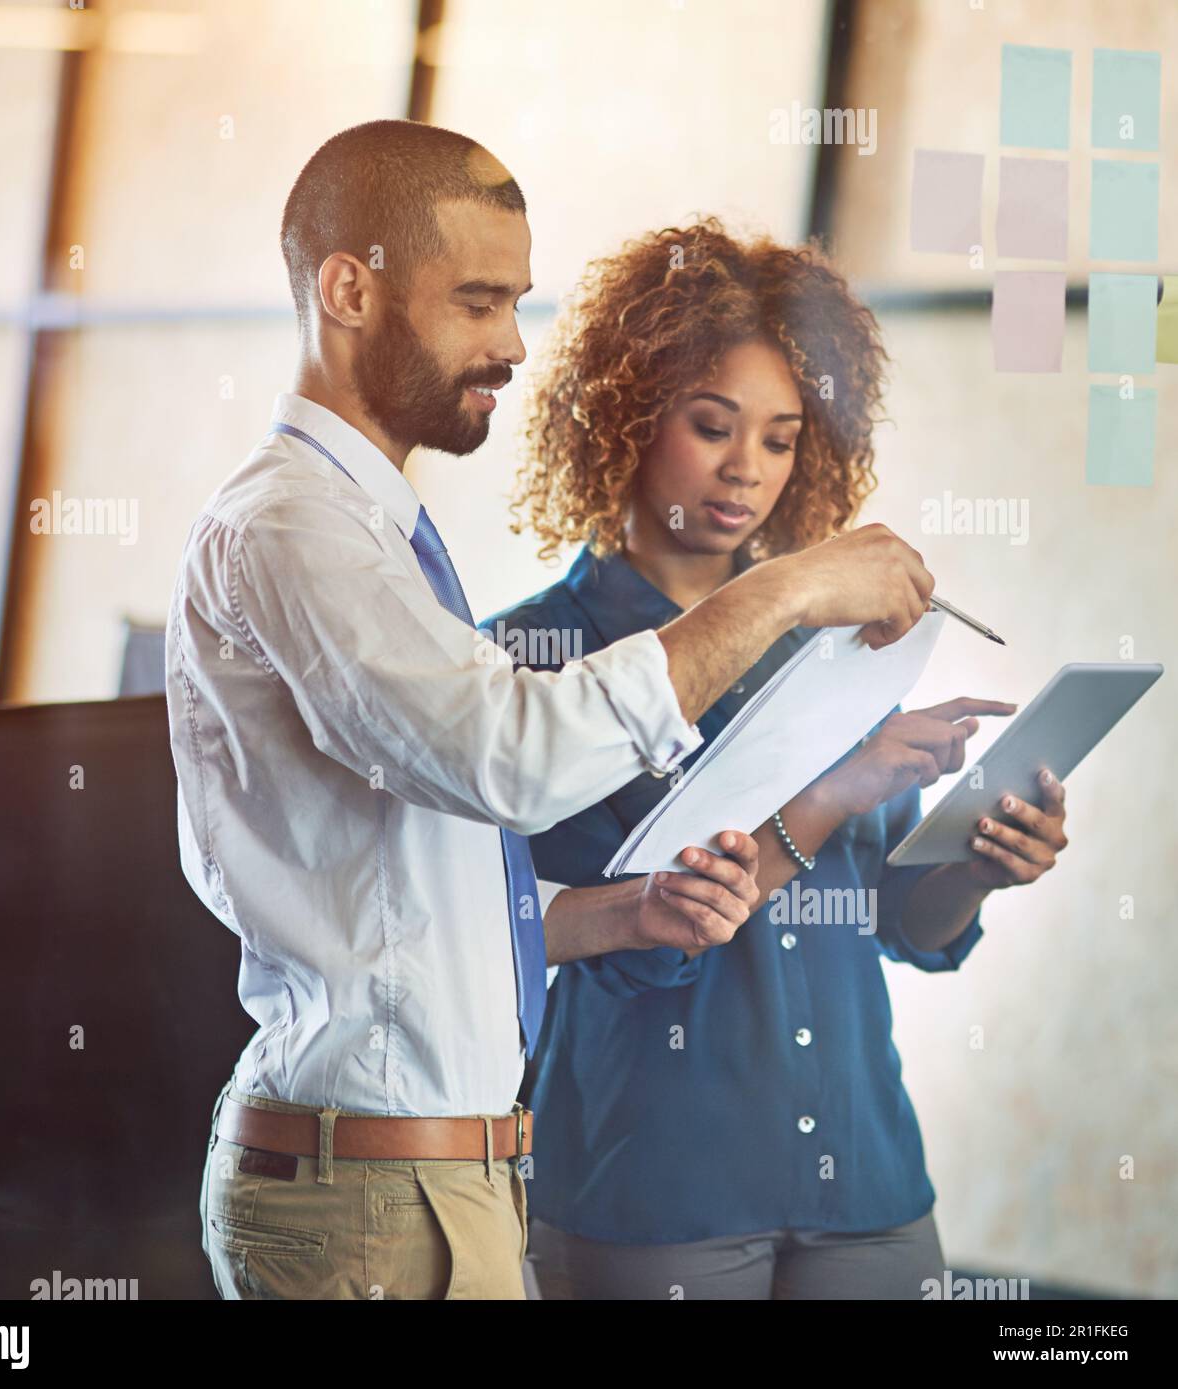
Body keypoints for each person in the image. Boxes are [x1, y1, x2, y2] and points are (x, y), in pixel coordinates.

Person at [166, 124, 937, 1301]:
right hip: (388, 1187)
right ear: (348, 289)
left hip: (448, 1179)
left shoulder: (376, 541)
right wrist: (793, 588)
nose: (511, 347)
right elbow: (511, 762)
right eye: (477, 303)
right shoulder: (292, 528)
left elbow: (444, 896)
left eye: (516, 304)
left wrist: (627, 915)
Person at [483, 219, 1069, 1300]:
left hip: (871, 1194)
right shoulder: (530, 661)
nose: (745, 471)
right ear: (623, 417)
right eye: (712, 426)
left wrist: (978, 864)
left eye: (781, 438)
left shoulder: (834, 648)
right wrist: (834, 793)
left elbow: (903, 926)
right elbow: (622, 945)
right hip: (652, 1190)